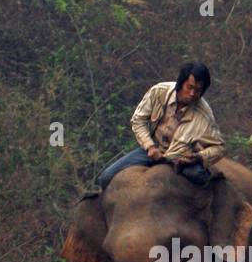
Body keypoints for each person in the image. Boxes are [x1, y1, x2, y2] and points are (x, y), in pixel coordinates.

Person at [95, 61, 225, 192]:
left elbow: (219, 148)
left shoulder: (204, 114)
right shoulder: (159, 92)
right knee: (106, 177)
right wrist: (150, 146)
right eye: (189, 87)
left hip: (180, 159)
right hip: (150, 151)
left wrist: (198, 157)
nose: (192, 93)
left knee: (201, 178)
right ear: (181, 83)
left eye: (197, 90)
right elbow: (138, 120)